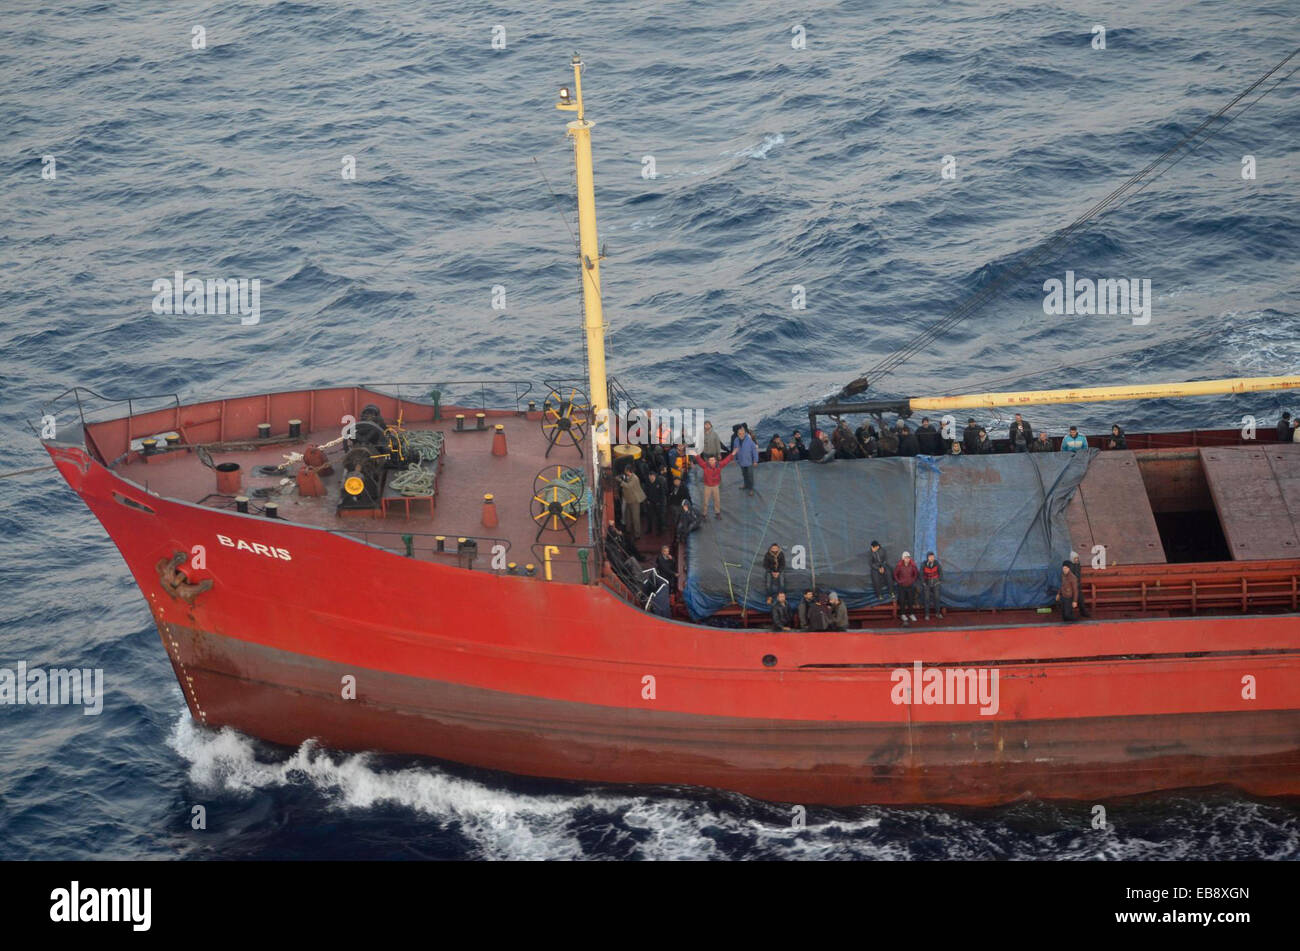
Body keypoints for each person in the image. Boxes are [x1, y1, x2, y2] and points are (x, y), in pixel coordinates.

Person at [691, 452, 733, 520]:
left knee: (717, 500)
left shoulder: (719, 465)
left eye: (713, 460)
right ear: (708, 461)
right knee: (705, 501)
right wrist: (695, 454)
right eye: (710, 460)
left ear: (715, 460)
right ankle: (704, 514)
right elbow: (699, 460)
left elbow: (726, 461)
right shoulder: (705, 465)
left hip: (715, 486)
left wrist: (732, 454)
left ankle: (717, 513)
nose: (711, 462)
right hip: (707, 486)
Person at [618, 468, 646, 539]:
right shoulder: (628, 477)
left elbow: (628, 486)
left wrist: (620, 480)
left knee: (635, 518)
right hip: (629, 499)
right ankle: (628, 529)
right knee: (628, 515)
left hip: (634, 500)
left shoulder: (634, 478)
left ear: (628, 471)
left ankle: (637, 534)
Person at [894, 551, 920, 625]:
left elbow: (916, 574)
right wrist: (899, 581)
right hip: (902, 586)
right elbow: (895, 574)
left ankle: (911, 614)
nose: (907, 559)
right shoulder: (899, 566)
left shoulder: (912, 565)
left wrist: (912, 580)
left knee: (910, 600)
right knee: (902, 601)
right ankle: (903, 614)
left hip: (910, 586)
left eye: (908, 558)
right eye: (905, 558)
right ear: (903, 558)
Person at [731, 425, 759, 493]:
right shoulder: (736, 440)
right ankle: (745, 485)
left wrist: (755, 461)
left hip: (749, 462)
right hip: (741, 461)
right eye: (740, 434)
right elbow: (734, 450)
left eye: (743, 434)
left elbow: (754, 451)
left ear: (745, 433)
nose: (741, 435)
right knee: (744, 474)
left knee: (750, 475)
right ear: (737, 434)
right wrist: (734, 459)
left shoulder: (749, 440)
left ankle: (751, 488)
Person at [921, 551, 943, 620]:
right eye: (930, 557)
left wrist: (939, 580)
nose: (932, 558)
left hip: (935, 583)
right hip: (927, 583)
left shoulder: (937, 563)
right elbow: (921, 574)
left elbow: (941, 573)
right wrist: (923, 582)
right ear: (927, 558)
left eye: (933, 557)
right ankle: (927, 614)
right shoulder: (923, 564)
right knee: (927, 599)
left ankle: (938, 613)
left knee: (937, 598)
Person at [643, 469, 666, 534]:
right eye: (650, 478)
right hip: (650, 502)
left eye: (652, 477)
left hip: (658, 503)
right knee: (649, 516)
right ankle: (649, 529)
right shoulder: (647, 483)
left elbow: (662, 494)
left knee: (659, 517)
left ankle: (660, 530)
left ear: (654, 476)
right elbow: (646, 492)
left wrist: (660, 502)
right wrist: (647, 500)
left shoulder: (659, 482)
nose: (651, 479)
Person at [1068, 551, 1088, 617]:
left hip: (1077, 586)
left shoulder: (1077, 565)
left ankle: (1083, 612)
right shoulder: (1070, 566)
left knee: (1080, 600)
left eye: (1077, 558)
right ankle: (1069, 613)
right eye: (1075, 558)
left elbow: (1078, 575)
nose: (1076, 559)